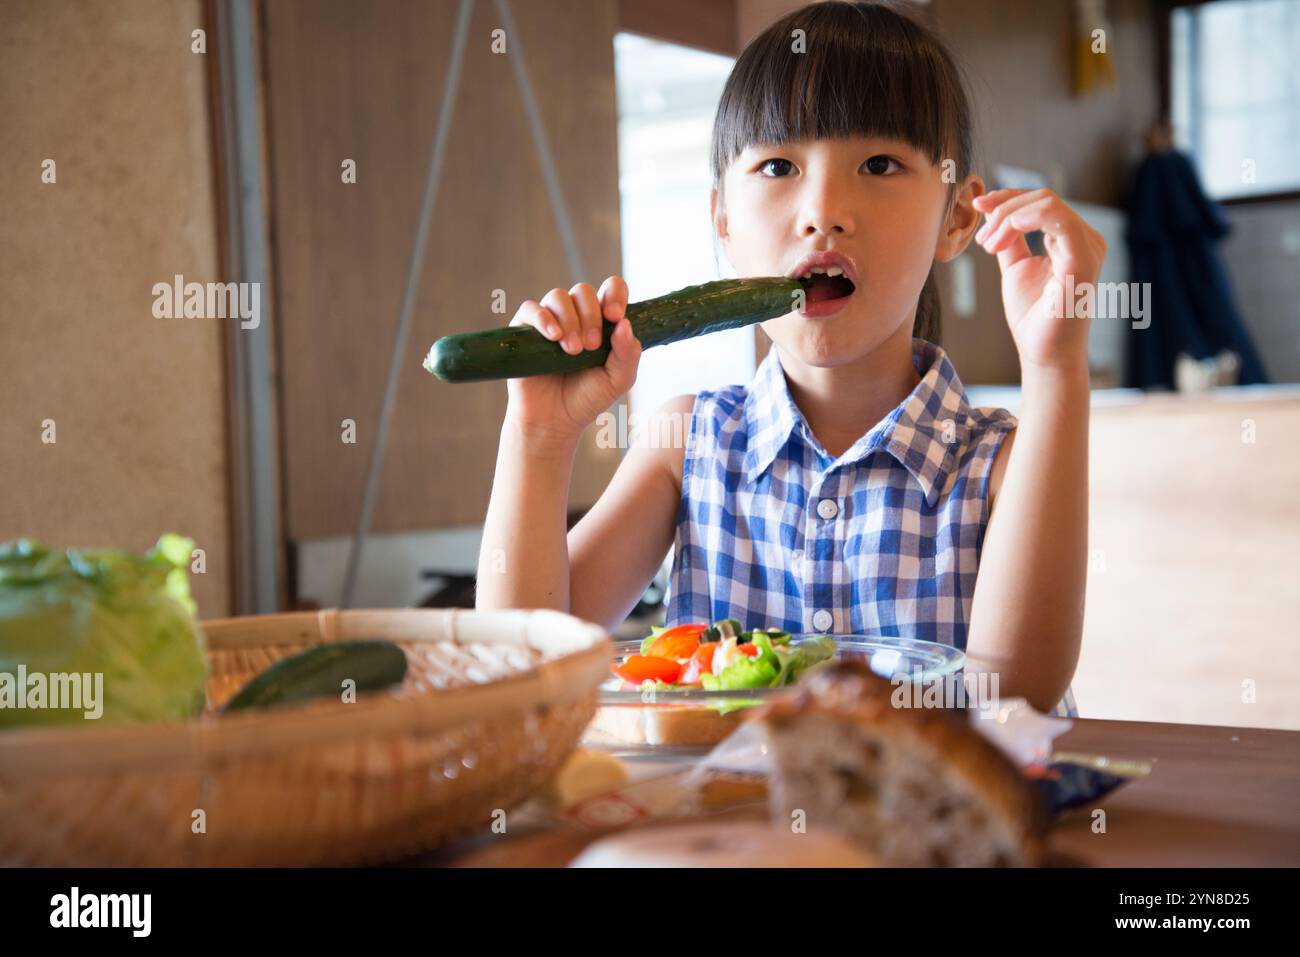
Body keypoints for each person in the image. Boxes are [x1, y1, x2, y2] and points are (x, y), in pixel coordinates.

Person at [476, 1, 1104, 717]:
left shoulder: (999, 461)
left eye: (878, 163)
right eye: (778, 165)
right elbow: (522, 663)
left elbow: (1016, 692)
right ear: (722, 220)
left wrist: (1056, 368)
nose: (823, 210)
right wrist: (537, 436)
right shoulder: (688, 441)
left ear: (957, 218)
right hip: (727, 829)